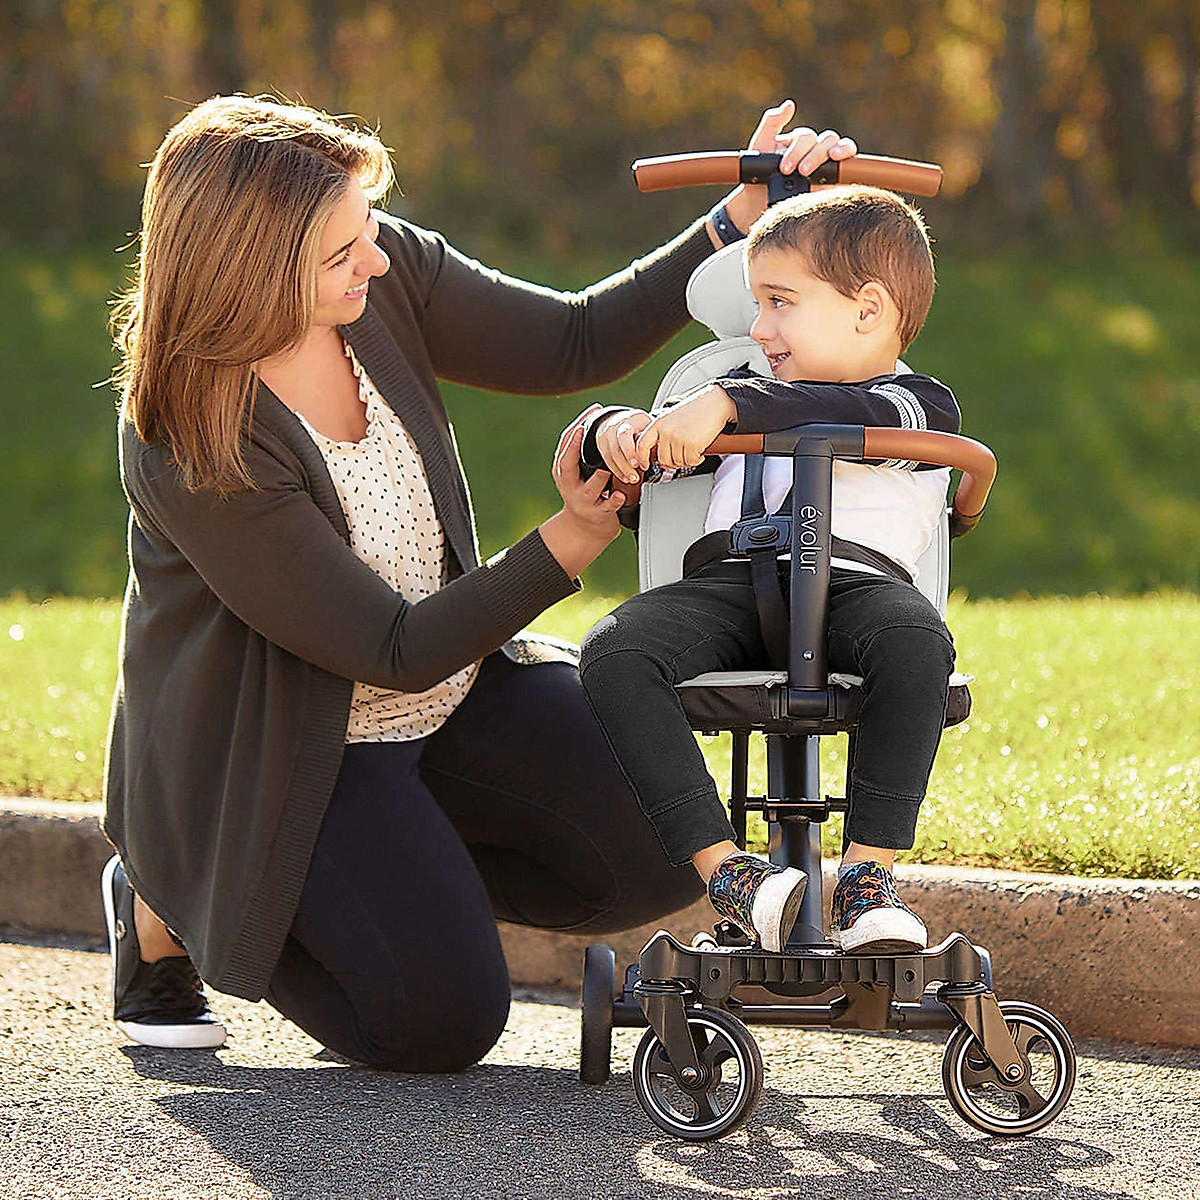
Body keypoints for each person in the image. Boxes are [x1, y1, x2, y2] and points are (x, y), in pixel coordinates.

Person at [99, 92, 858, 1063]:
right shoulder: (191, 436)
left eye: (367, 230)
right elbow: (390, 647)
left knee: (664, 841)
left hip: (452, 692)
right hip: (290, 752)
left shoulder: (379, 277)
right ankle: (173, 890)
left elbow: (570, 342)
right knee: (437, 1021)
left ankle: (398, 869)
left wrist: (735, 223)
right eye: (342, 252)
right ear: (252, 270)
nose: (374, 257)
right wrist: (575, 537)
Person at [579, 185, 960, 954]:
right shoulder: (730, 401)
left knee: (919, 643)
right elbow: (650, 449)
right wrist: (614, 431)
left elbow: (821, 411)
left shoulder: (917, 402)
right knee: (614, 651)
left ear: (869, 310)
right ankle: (731, 874)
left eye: (780, 301)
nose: (759, 328)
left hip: (858, 588)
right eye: (756, 305)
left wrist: (724, 403)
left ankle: (865, 879)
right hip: (730, 587)